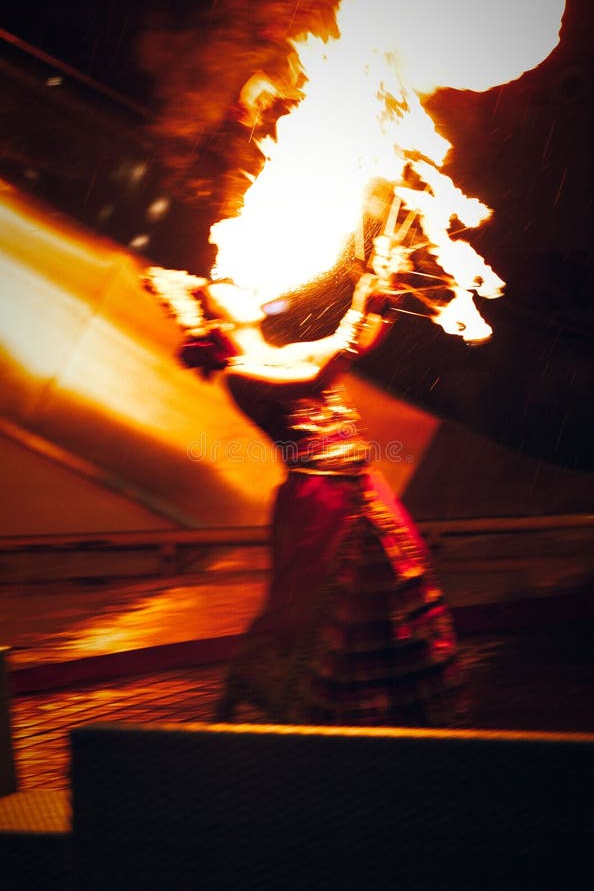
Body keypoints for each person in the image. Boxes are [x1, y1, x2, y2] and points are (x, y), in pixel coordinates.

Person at [144, 259, 464, 726]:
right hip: (322, 498)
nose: (235, 283)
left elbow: (349, 344)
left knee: (390, 595)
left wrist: (383, 293)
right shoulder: (242, 373)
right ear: (215, 319)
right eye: (221, 287)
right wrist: (361, 304)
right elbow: (322, 375)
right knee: (317, 609)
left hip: (362, 490)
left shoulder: (288, 350)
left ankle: (398, 708)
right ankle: (309, 713)